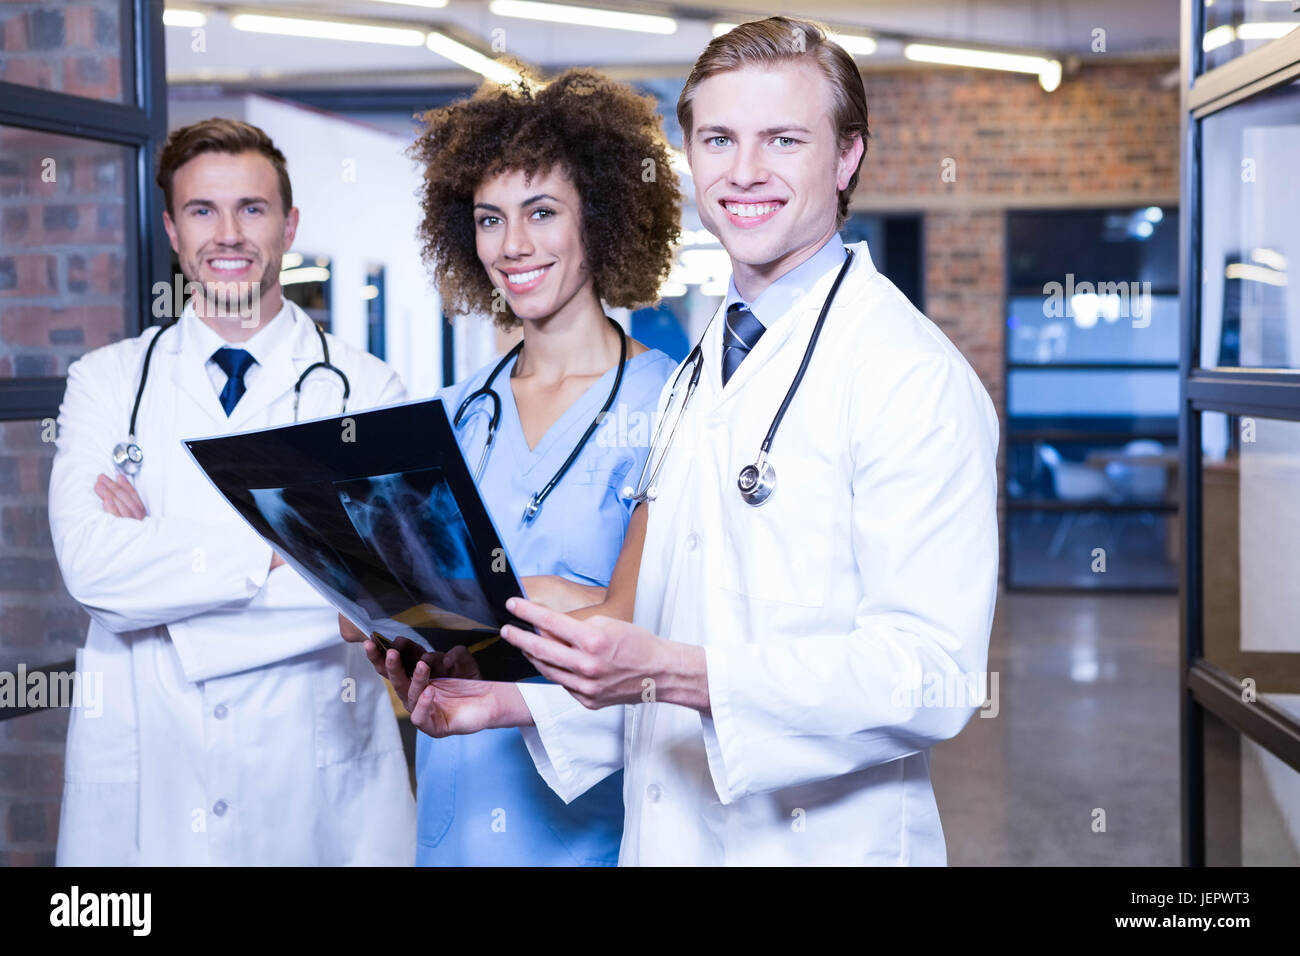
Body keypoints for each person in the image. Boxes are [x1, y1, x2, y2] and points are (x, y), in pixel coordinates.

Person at [397, 17, 1001, 866]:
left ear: (848, 156)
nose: (744, 171)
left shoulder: (910, 376)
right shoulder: (699, 373)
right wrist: (507, 706)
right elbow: (669, 631)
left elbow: (932, 674)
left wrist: (673, 673)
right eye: (718, 139)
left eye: (783, 139)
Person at [48, 118, 415, 865]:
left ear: (290, 226)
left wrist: (159, 569)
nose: (229, 234)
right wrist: (291, 549)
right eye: (202, 211)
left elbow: (383, 587)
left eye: (252, 208)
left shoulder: (368, 390)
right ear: (172, 233)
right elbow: (91, 569)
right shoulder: (106, 382)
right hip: (153, 777)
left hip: (314, 787)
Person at [344, 70, 680, 866]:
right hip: (453, 797)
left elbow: (649, 625)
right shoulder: (454, 415)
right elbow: (374, 599)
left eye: (541, 213)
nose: (512, 246)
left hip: (584, 822)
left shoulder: (671, 406)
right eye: (490, 219)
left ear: (599, 222)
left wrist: (475, 611)